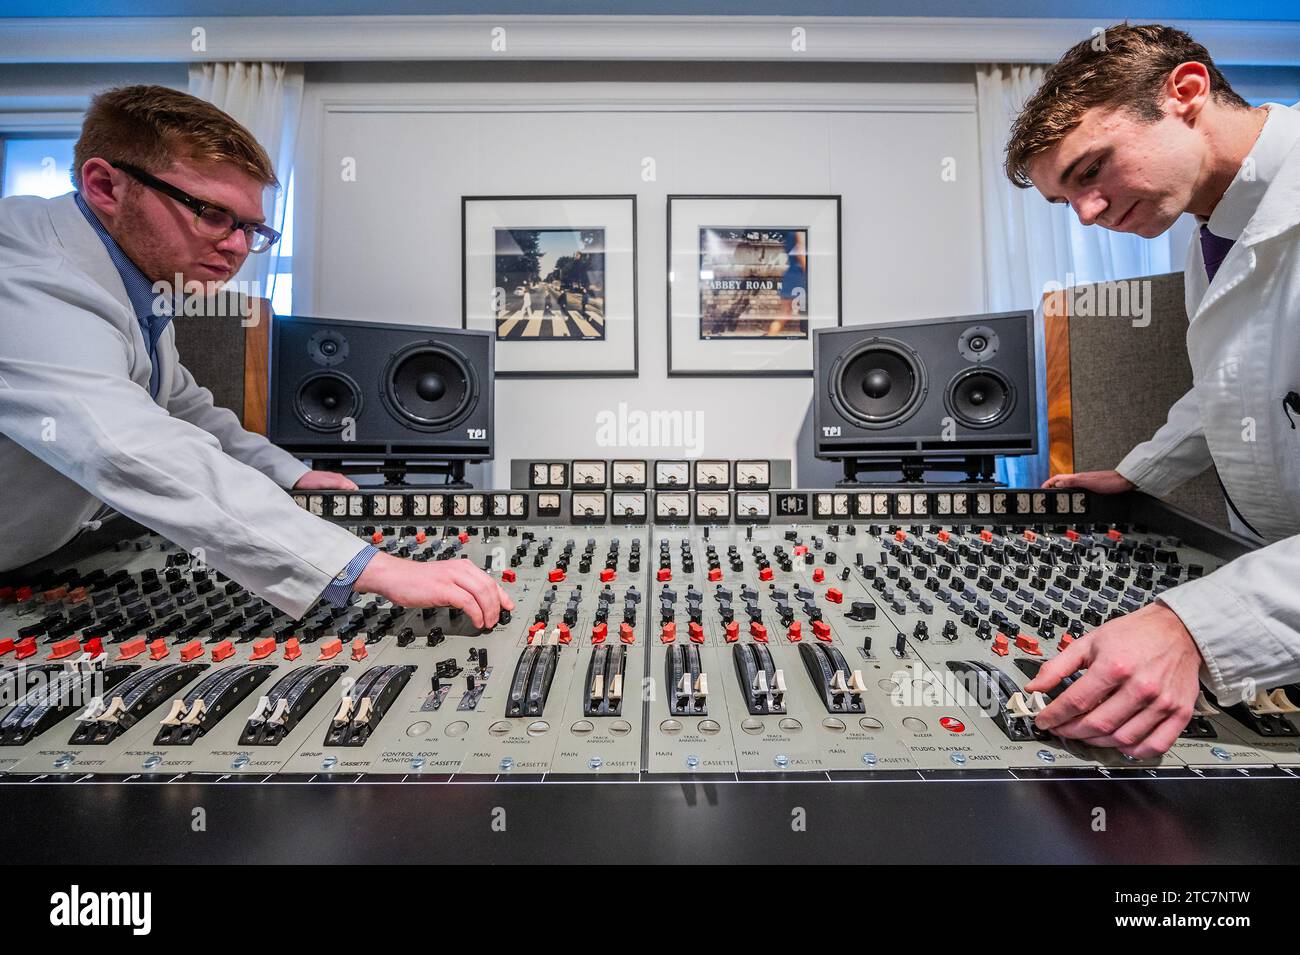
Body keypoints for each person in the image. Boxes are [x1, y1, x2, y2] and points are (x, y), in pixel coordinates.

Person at [0, 85, 513, 628]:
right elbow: (124, 445)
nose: (239, 247)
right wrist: (369, 567)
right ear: (106, 185)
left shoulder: (145, 285)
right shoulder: (29, 278)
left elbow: (183, 408)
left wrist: (290, 475)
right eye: (213, 214)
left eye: (251, 228)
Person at [1002, 24, 1300, 758]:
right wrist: (1140, 472)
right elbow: (1230, 381)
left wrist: (1191, 626)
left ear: (1186, 93)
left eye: (1092, 170)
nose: (1089, 213)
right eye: (1064, 201)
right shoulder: (1214, 229)